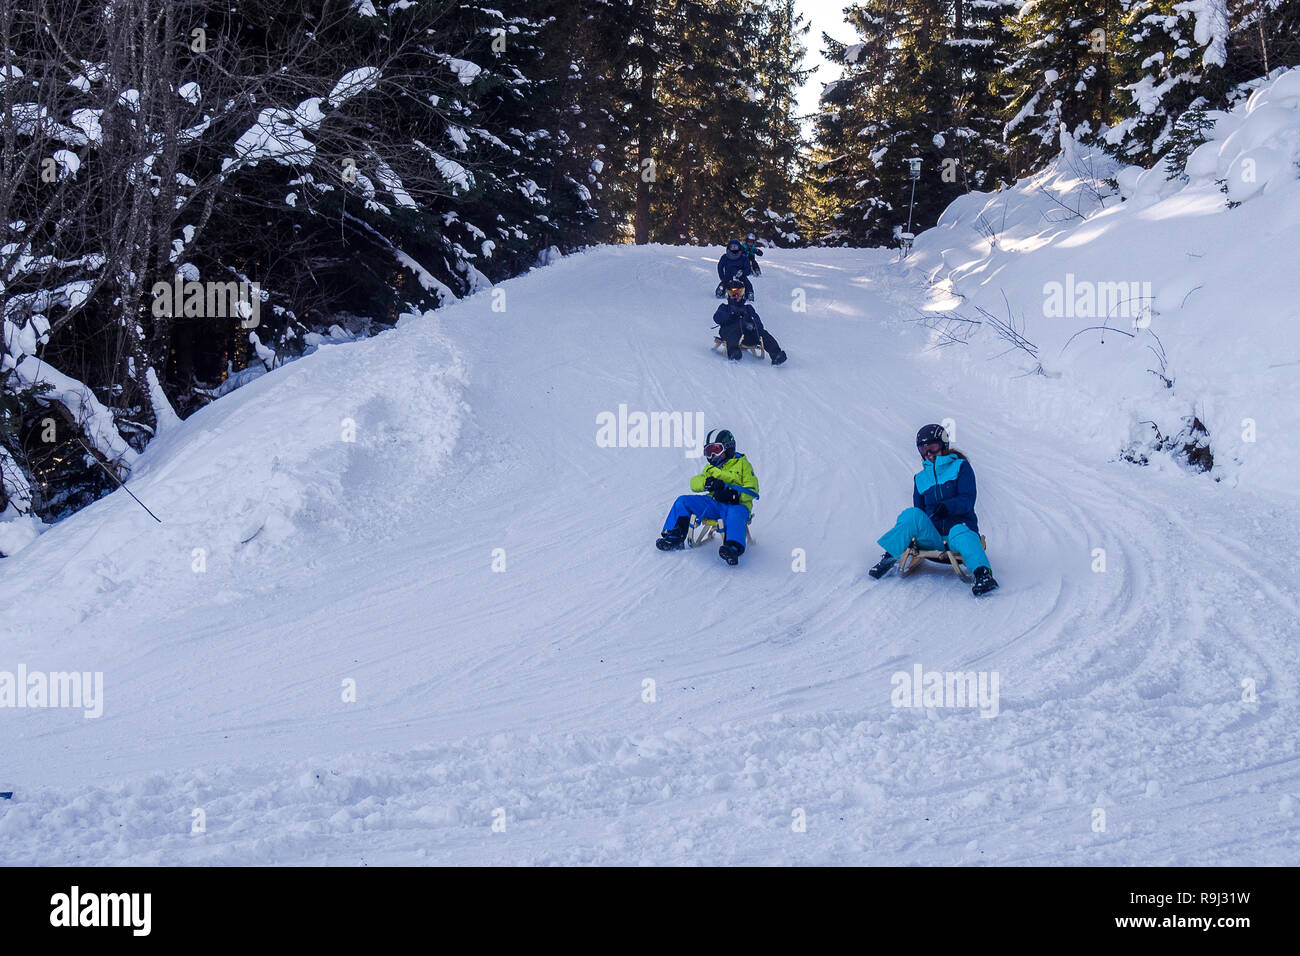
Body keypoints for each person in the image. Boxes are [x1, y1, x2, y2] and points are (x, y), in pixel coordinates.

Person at [867, 424, 999, 596]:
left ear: (943, 445)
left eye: (933, 447)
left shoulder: (960, 467)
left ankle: (983, 575)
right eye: (923, 449)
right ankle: (890, 556)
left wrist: (948, 507)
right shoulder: (920, 478)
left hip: (957, 532)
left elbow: (967, 499)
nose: (928, 454)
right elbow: (919, 513)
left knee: (961, 531)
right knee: (911, 514)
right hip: (933, 537)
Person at [656, 429, 758, 565]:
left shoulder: (743, 465)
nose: (712, 455)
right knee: (683, 501)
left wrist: (734, 495)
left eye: (716, 450)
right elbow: (694, 483)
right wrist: (707, 483)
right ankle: (675, 535)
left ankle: (733, 547)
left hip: (737, 505)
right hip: (714, 504)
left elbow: (753, 490)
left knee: (736, 514)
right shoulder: (710, 469)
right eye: (709, 451)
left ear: (728, 448)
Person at [713, 277, 787, 365]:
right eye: (733, 293)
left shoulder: (748, 308)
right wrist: (730, 313)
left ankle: (776, 353)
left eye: (739, 293)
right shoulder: (724, 307)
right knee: (733, 330)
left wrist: (752, 325)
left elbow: (759, 324)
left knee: (762, 333)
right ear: (729, 294)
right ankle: (733, 351)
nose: (736, 296)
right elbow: (717, 318)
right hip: (730, 334)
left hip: (748, 336)